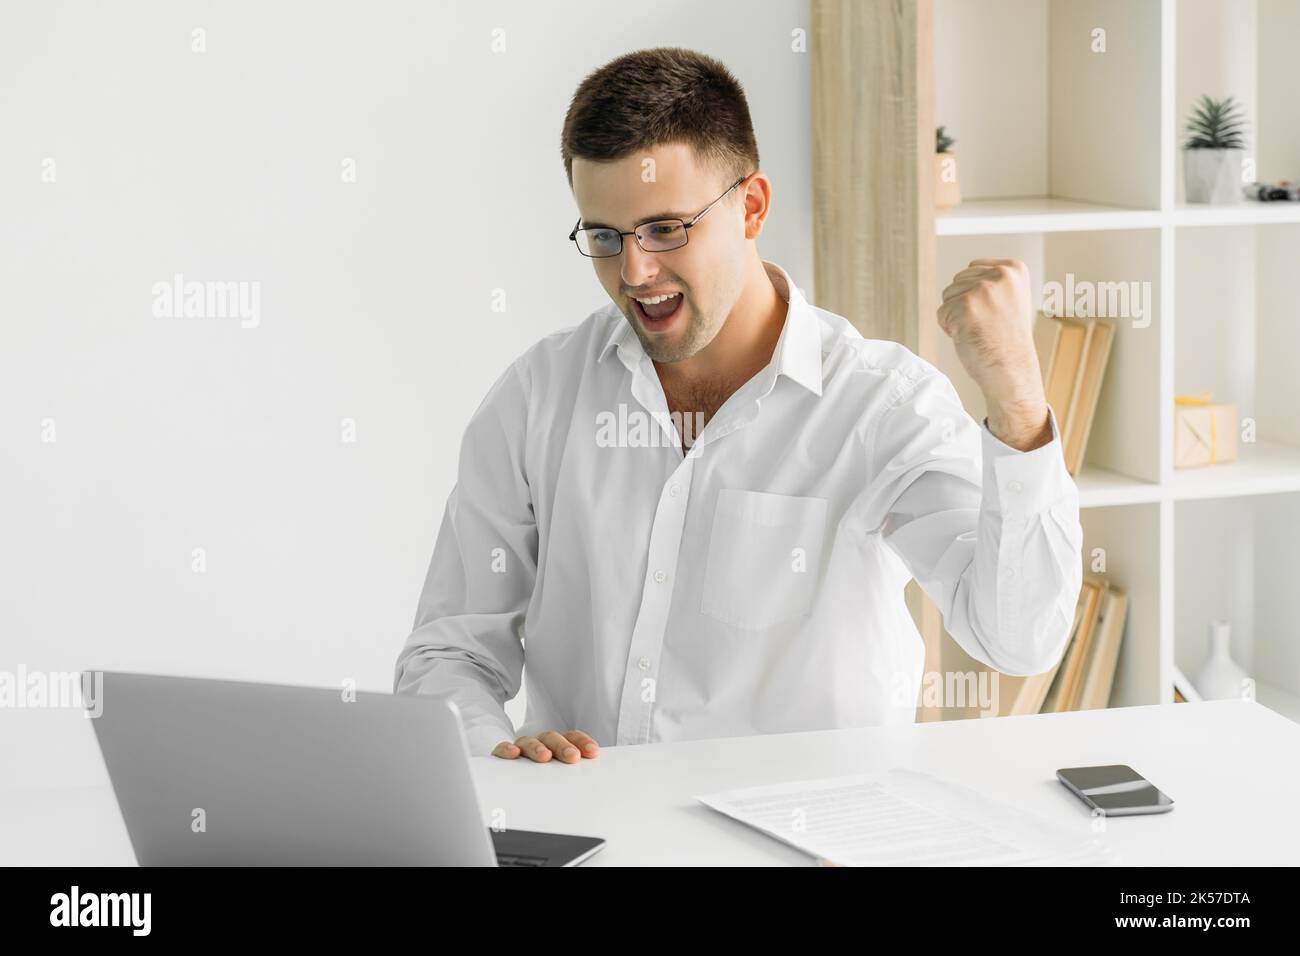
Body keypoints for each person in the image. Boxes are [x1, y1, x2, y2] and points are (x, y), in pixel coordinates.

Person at [394, 47, 1082, 764]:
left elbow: (1017, 638)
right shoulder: (539, 397)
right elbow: (450, 650)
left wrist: (1017, 398)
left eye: (666, 229)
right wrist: (494, 750)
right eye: (605, 236)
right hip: (598, 840)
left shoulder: (881, 406)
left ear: (751, 208)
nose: (635, 272)